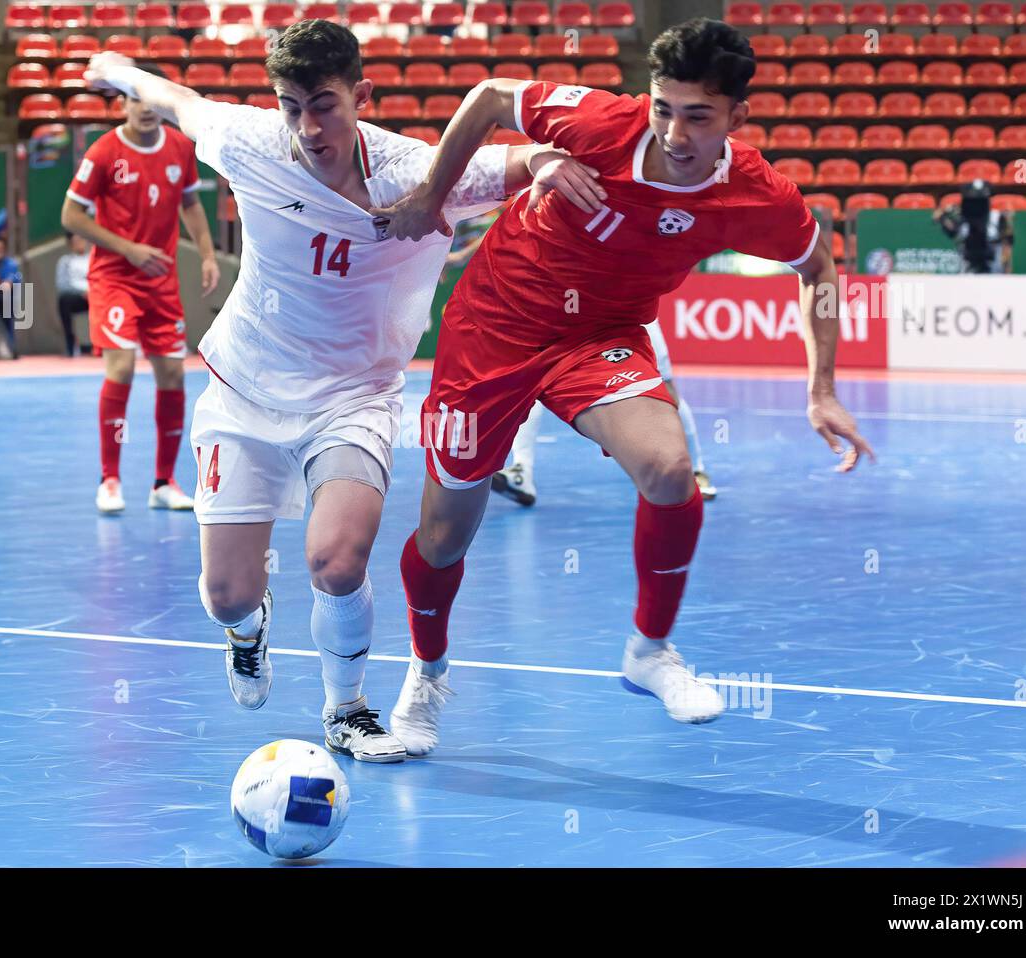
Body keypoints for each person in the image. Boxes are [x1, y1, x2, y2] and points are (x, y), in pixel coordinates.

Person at [81, 20, 593, 761]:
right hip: (243, 392)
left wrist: (547, 163)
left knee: (338, 559)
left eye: (324, 103)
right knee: (227, 592)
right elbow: (179, 100)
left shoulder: (417, 171)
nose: (308, 126)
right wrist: (121, 70)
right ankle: (246, 631)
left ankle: (346, 709)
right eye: (291, 105)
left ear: (362, 94)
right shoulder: (250, 143)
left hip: (354, 398)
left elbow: (516, 161)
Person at [375, 17, 876, 756]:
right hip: (494, 323)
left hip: (600, 337)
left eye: (697, 116)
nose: (674, 130)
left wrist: (822, 386)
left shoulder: (754, 192)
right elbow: (486, 98)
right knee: (446, 534)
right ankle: (426, 670)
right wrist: (428, 196)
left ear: (738, 117)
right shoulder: (599, 118)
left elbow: (819, 268)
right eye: (662, 107)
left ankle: (650, 652)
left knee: (671, 470)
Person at [61, 65, 221, 516]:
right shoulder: (104, 151)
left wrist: (207, 254)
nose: (145, 108)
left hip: (161, 282)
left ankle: (163, 482)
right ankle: (109, 478)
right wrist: (128, 249)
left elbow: (191, 203)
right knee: (122, 367)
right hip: (115, 277)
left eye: (151, 99)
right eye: (135, 99)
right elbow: (71, 217)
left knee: (172, 374)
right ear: (123, 103)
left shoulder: (179, 148)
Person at [493, 319, 717, 507]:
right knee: (534, 382)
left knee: (664, 388)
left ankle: (695, 471)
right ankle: (522, 471)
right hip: (564, 311)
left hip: (629, 310)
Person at [55, 231, 91, 356]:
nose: (79, 243)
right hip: (77, 297)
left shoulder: (93, 259)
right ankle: (71, 346)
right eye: (75, 241)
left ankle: (101, 344)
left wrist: (93, 292)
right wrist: (82, 292)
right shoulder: (65, 261)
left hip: (95, 296)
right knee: (63, 301)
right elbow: (62, 285)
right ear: (70, 244)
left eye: (81, 239)